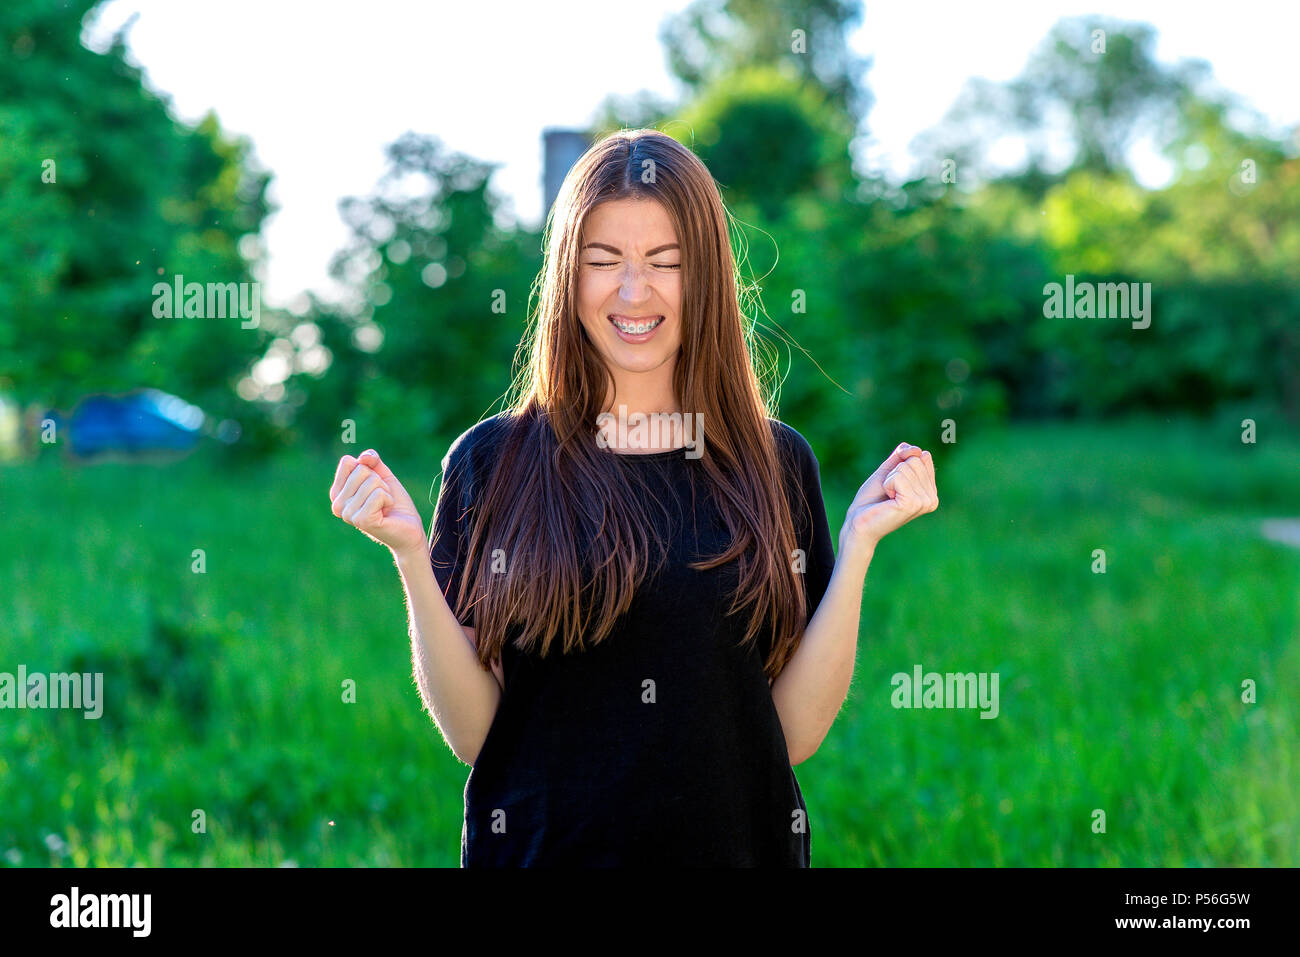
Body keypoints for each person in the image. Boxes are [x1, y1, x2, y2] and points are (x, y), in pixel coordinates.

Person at [328, 128, 938, 866]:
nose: (632, 290)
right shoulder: (492, 462)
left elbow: (792, 736)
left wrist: (859, 550)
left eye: (665, 263)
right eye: (603, 261)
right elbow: (474, 735)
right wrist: (410, 557)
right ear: (566, 276)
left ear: (706, 275)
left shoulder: (774, 462)